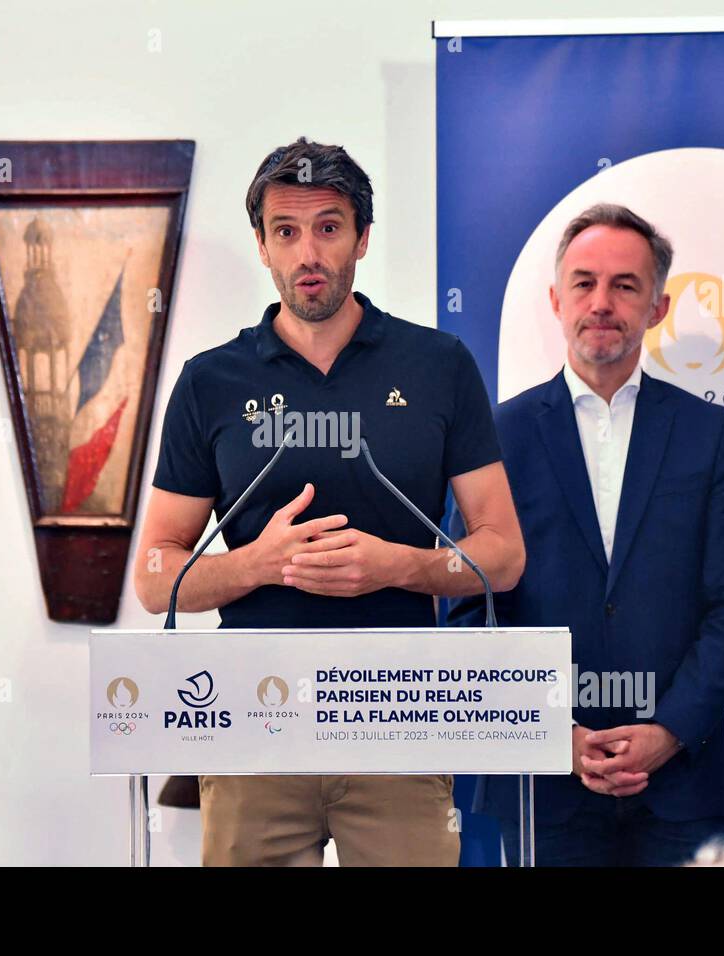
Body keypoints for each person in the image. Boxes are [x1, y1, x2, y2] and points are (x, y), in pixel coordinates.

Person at [133, 137, 524, 866]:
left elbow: (502, 555)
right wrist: (258, 564)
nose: (307, 252)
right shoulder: (209, 382)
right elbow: (157, 576)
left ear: (362, 238)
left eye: (328, 227)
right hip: (252, 725)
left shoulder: (439, 366)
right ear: (261, 246)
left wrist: (400, 566)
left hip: (400, 719)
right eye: (285, 231)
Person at [450, 204, 724, 866]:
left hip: (680, 781)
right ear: (556, 300)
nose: (602, 302)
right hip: (544, 781)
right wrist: (552, 732)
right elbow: (468, 607)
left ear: (657, 307)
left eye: (625, 285)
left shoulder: (709, 435)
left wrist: (669, 730)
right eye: (584, 282)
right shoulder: (496, 437)